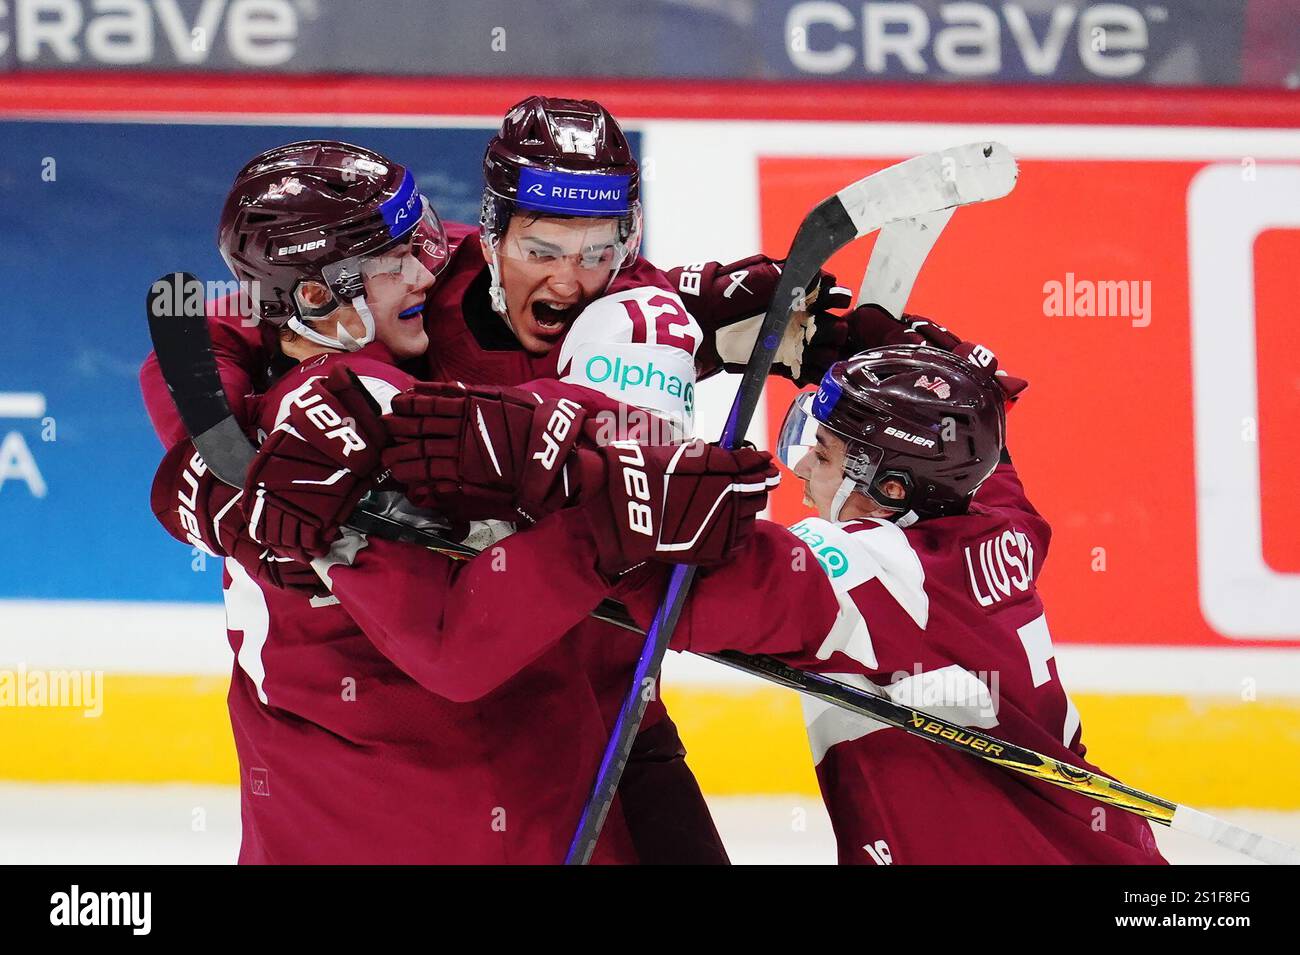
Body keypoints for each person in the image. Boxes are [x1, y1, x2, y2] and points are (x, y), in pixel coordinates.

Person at [148, 141, 772, 862]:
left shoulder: (381, 331)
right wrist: (621, 514)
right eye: (399, 258)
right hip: (405, 809)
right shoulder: (332, 429)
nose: (428, 265)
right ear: (319, 297)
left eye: (424, 234)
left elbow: (198, 313)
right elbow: (452, 648)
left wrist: (691, 307)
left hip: (516, 767)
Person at [407, 342, 1167, 864]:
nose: (803, 464)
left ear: (891, 486)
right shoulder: (996, 516)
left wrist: (565, 493)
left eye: (827, 453)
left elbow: (702, 592)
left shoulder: (875, 572)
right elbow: (989, 442)